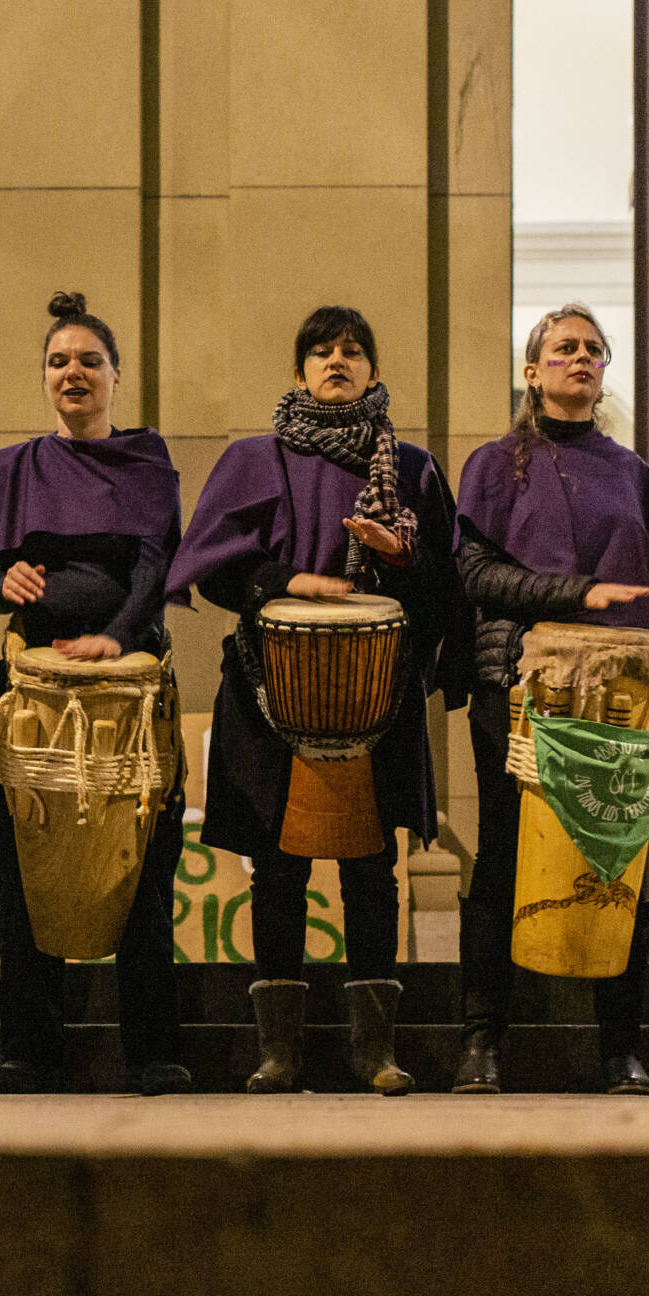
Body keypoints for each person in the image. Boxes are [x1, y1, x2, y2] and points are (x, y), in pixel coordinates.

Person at [166, 305, 456, 1096]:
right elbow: (213, 567)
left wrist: (400, 562)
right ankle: (279, 1051)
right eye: (321, 352)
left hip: (378, 689)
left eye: (353, 351)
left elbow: (442, 593)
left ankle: (376, 1051)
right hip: (271, 685)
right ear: (299, 372)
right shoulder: (254, 458)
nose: (337, 361)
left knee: (371, 867)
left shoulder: (414, 468)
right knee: (278, 866)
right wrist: (284, 583)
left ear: (372, 370)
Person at [450, 303, 649, 1096]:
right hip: (522, 682)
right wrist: (579, 593)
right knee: (503, 857)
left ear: (603, 373)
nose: (580, 357)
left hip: (622, 692)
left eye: (593, 349)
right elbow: (475, 576)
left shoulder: (631, 471)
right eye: (563, 347)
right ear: (532, 371)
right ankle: (483, 1042)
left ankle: (621, 1050)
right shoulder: (493, 462)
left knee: (619, 857)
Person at [0, 293, 189, 1096]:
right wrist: (7, 581)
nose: (74, 372)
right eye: (59, 361)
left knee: (142, 875)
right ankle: (27, 1049)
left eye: (89, 360)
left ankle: (154, 1049)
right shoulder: (14, 468)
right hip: (33, 689)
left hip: (129, 689)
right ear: (44, 378)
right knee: (25, 870)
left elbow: (153, 569)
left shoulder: (147, 461)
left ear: (116, 375)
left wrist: (119, 637)